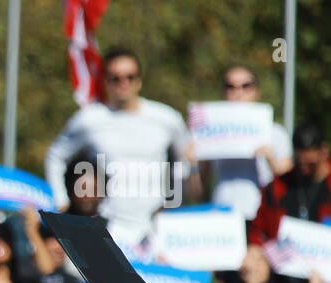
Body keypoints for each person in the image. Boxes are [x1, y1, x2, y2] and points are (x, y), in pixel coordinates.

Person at [44, 47, 194, 245]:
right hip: (108, 226)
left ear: (139, 80)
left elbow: (186, 159)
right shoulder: (89, 119)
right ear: (105, 81)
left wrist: (174, 203)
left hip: (156, 229)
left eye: (130, 77)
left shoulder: (166, 118)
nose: (124, 83)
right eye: (116, 78)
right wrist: (61, 202)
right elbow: (55, 157)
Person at [204, 65, 293, 220]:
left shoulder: (276, 132)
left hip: (260, 216)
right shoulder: (210, 132)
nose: (238, 92)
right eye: (230, 86)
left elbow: (290, 181)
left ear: (257, 92)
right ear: (224, 92)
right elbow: (197, 191)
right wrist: (196, 162)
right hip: (220, 215)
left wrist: (271, 158)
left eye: (246, 86)